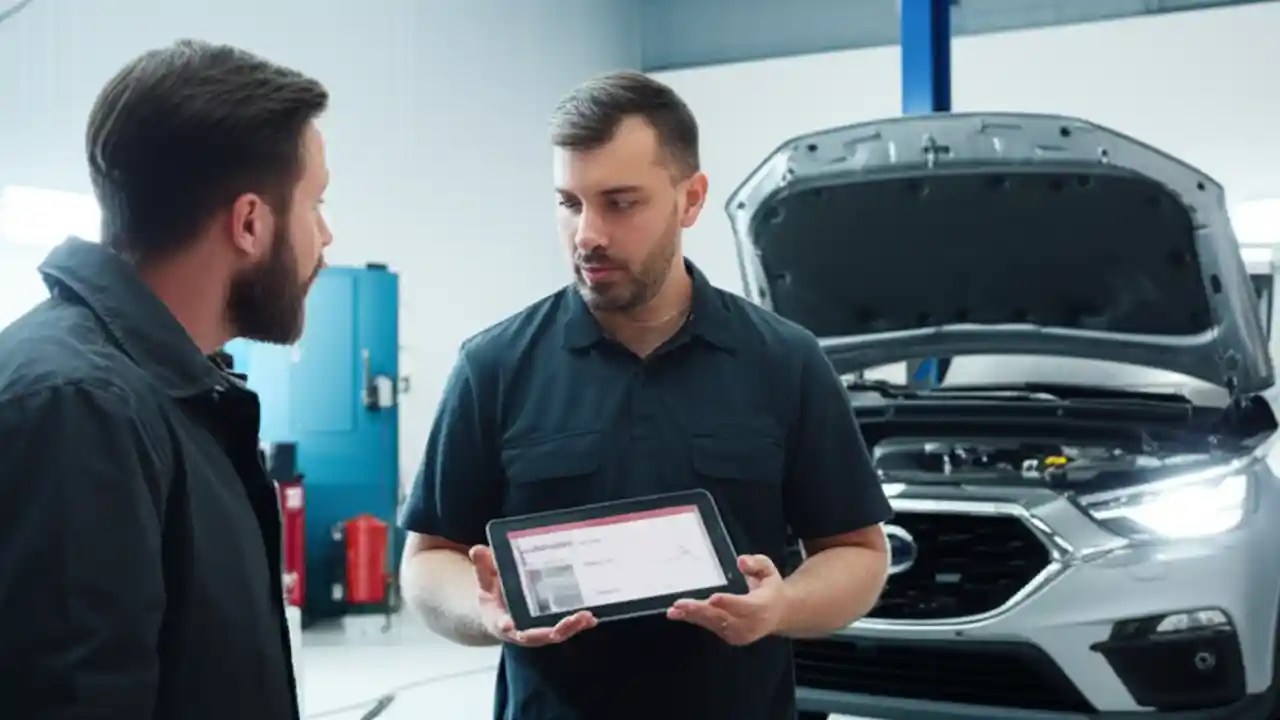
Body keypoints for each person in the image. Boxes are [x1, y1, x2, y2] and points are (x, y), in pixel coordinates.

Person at [399, 70, 892, 720]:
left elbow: (857, 553)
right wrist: (484, 609)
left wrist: (783, 607)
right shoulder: (493, 366)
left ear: (691, 199)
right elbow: (429, 562)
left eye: (620, 203)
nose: (587, 234)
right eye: (569, 203)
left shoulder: (784, 362)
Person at [0, 39, 331, 719]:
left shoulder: (165, 392)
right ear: (250, 222)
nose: (325, 236)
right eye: (316, 204)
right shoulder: (82, 407)